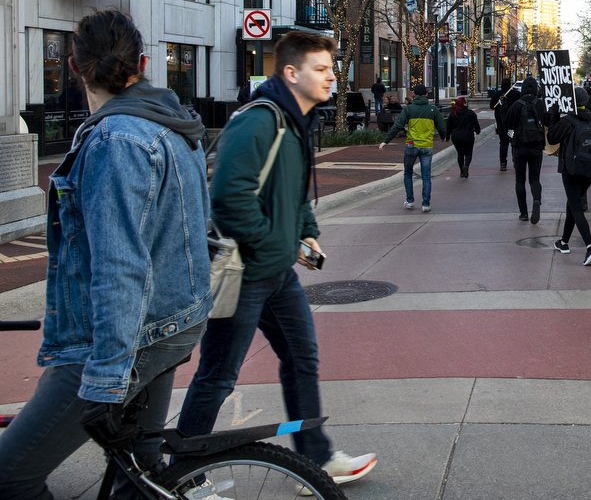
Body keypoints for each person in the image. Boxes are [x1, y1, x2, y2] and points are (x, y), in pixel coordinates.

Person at [0, 11, 211, 500]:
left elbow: (120, 268)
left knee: (11, 476)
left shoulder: (115, 140)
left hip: (127, 337)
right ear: (143, 63)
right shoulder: (174, 126)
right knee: (141, 473)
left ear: (73, 67)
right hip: (172, 322)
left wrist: (105, 378)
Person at [178, 30, 377, 487]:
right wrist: (274, 244)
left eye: (331, 68)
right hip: (247, 274)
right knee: (218, 376)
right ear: (291, 72)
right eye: (320, 69)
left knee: (302, 357)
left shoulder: (296, 121)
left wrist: (306, 234)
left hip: (277, 272)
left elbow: (293, 193)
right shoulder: (258, 121)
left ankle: (317, 460)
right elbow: (229, 198)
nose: (331, 77)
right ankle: (183, 478)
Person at [547, 86, 591, 265]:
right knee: (572, 205)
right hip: (589, 171)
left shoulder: (567, 121)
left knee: (576, 207)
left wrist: (554, 114)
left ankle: (590, 247)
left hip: (571, 170)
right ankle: (564, 242)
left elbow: (551, 138)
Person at [379, 84, 447, 212]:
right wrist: (443, 137)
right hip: (426, 146)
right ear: (426, 95)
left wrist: (386, 141)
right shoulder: (433, 109)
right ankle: (426, 204)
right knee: (426, 176)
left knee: (408, 172)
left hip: (411, 145)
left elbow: (398, 125)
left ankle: (410, 201)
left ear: (414, 95)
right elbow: (442, 126)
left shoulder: (408, 109)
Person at [504, 76, 547, 223]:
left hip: (519, 146)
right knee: (534, 178)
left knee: (520, 180)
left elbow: (507, 123)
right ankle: (537, 199)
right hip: (536, 146)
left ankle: (523, 212)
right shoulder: (540, 104)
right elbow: (548, 121)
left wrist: (503, 107)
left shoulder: (517, 104)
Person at [448, 95, 481, 178]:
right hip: (468, 136)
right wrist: (477, 131)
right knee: (468, 153)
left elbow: (448, 126)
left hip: (456, 137)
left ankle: (462, 172)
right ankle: (466, 166)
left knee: (460, 153)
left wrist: (447, 136)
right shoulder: (470, 113)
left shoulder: (453, 114)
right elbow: (476, 124)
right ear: (465, 103)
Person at [492, 77, 519, 171]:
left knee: (503, 143)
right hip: (513, 123)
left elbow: (491, 106)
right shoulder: (516, 94)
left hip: (501, 123)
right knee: (514, 143)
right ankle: (515, 161)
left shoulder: (496, 95)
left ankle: (503, 163)